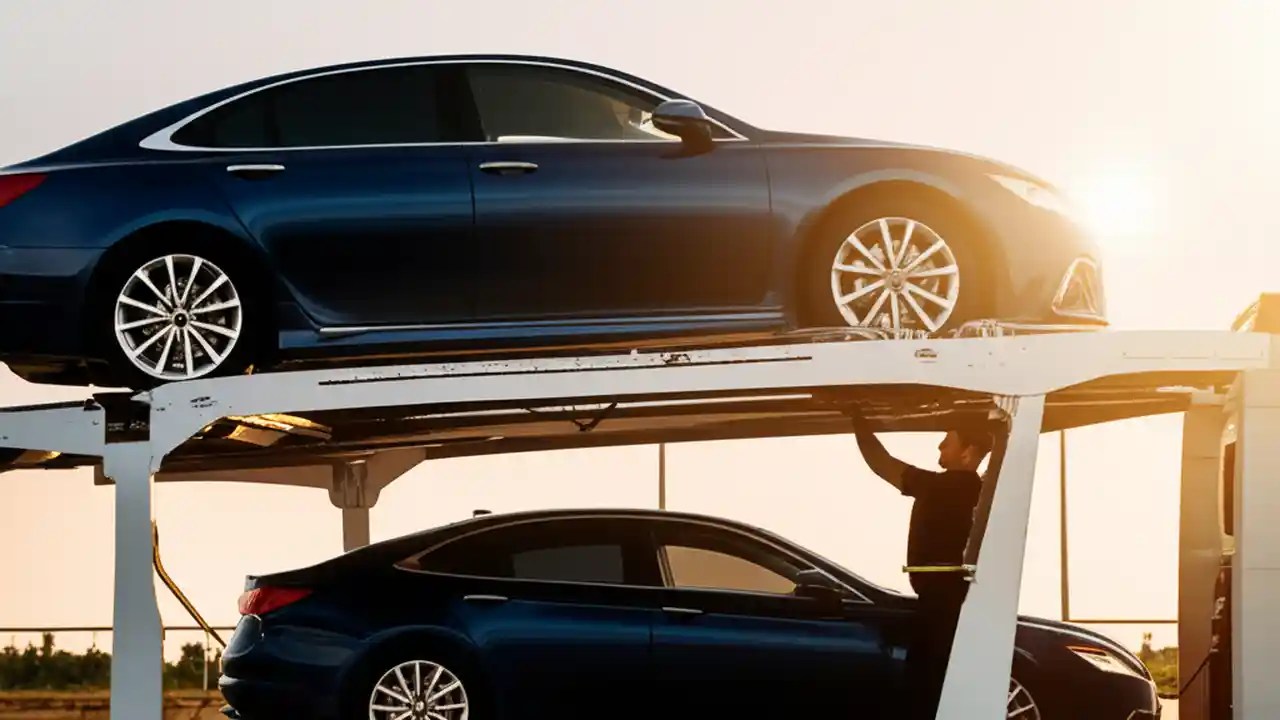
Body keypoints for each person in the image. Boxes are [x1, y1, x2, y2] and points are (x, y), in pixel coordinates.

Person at [848, 410, 1001, 720]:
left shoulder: (941, 486)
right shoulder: (982, 490)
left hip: (939, 603)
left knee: (924, 684)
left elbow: (881, 462)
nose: (940, 448)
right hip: (955, 597)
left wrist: (857, 420)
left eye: (948, 443)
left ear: (967, 454)